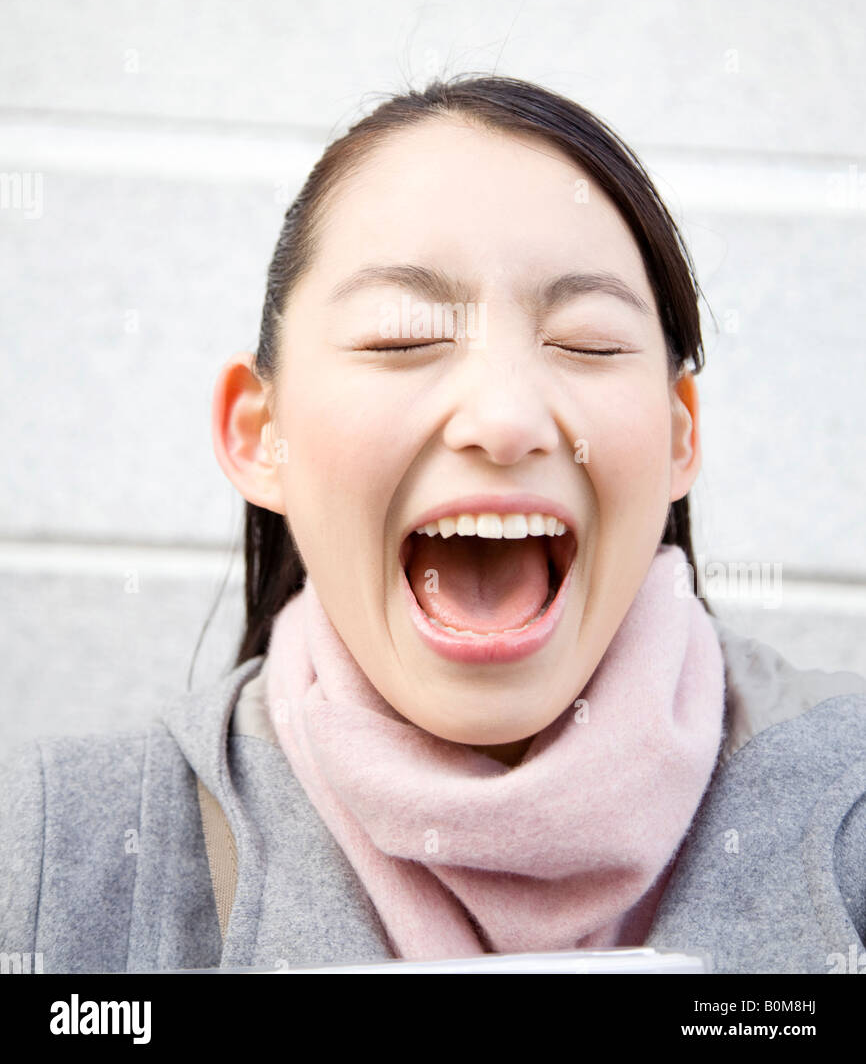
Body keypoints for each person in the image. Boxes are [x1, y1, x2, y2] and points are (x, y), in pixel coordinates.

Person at [2, 74, 865, 974]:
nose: (504, 420)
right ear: (262, 436)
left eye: (587, 343)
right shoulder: (51, 857)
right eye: (401, 338)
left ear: (681, 436)